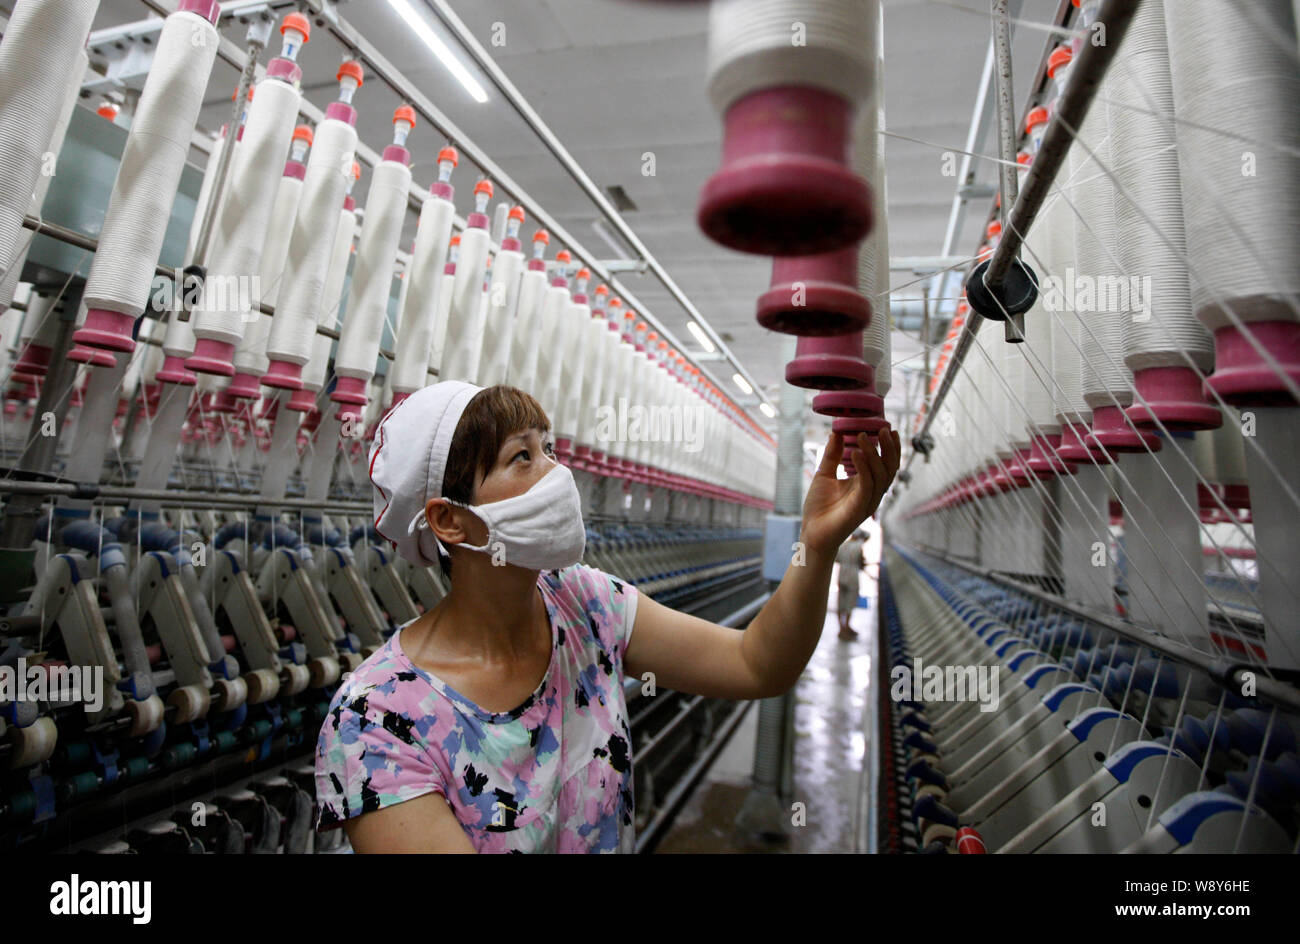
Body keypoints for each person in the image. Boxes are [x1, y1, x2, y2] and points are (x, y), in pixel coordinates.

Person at [314, 381, 900, 852]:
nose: (556, 473)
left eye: (548, 448)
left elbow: (756, 664)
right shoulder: (376, 722)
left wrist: (816, 547)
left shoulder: (584, 604)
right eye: (523, 457)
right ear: (449, 521)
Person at [835, 528, 868, 640]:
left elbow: (837, 559)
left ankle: (841, 628)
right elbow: (862, 563)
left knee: (841, 602)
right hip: (853, 576)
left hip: (842, 574)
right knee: (850, 602)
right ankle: (847, 626)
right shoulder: (858, 547)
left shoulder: (842, 545)